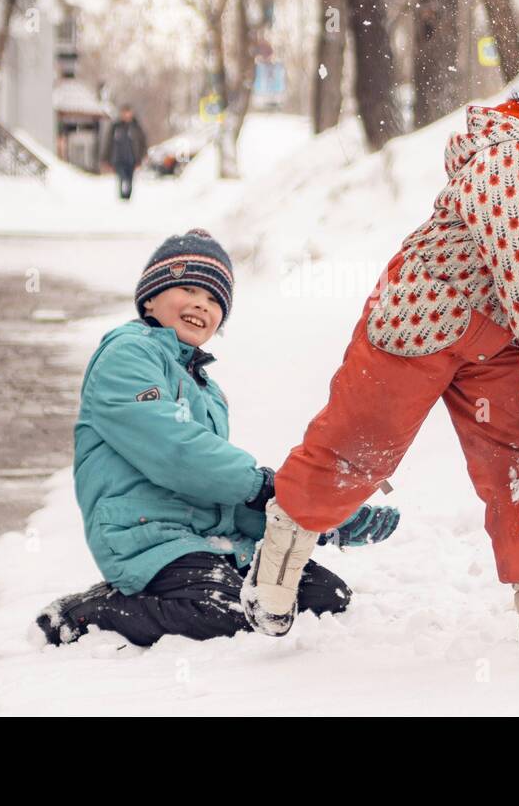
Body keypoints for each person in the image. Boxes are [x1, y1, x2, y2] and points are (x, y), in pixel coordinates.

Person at [240, 0, 519, 650]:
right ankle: (281, 552)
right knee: (360, 445)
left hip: (504, 336)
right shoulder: (509, 145)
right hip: (427, 315)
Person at [34, 229, 399, 649]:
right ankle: (87, 614)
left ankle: (189, 588)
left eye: (213, 301)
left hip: (207, 538)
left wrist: (309, 518)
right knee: (222, 611)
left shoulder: (208, 390)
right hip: (145, 535)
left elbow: (218, 493)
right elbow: (177, 451)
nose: (200, 305)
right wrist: (266, 485)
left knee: (325, 599)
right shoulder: (128, 355)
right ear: (149, 298)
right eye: (187, 288)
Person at [103, 105, 148, 200]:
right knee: (122, 178)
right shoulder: (116, 127)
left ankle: (127, 198)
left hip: (132, 159)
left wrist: (142, 157)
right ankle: (122, 196)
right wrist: (105, 158)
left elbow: (143, 143)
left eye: (128, 113)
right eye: (124, 113)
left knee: (129, 179)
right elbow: (109, 143)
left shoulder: (136, 127)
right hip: (118, 158)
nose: (126, 115)